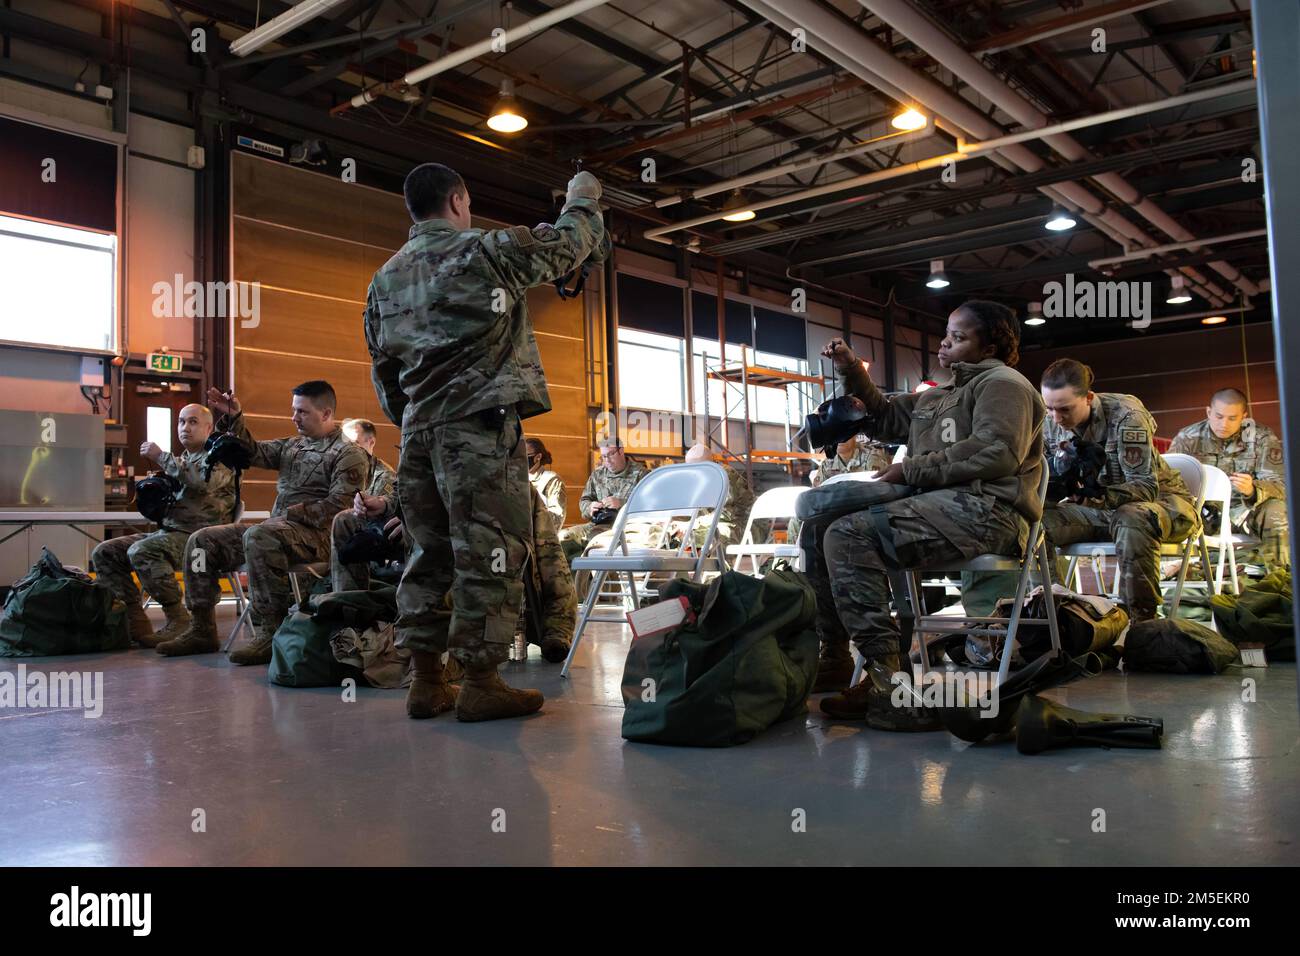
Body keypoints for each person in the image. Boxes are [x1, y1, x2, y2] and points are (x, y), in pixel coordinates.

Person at [364, 161, 605, 721]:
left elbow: (383, 369)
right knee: (491, 549)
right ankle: (481, 680)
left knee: (427, 553)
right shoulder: (484, 251)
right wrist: (583, 195)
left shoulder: (385, 279)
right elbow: (570, 246)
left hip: (419, 436)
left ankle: (424, 680)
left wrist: (415, 421)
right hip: (478, 428)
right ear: (458, 199)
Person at [810, 301, 1045, 728]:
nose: (946, 342)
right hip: (938, 507)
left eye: (959, 337)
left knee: (848, 535)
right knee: (818, 527)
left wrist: (911, 469)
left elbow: (997, 452)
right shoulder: (937, 395)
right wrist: (850, 369)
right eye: (946, 334)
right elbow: (879, 418)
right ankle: (835, 656)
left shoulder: (1004, 385)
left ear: (990, 345)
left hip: (988, 510)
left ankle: (889, 685)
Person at [158, 381, 368, 661]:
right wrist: (235, 416)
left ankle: (270, 632)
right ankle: (201, 628)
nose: (294, 418)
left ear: (326, 413)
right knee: (202, 540)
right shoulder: (292, 445)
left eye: (302, 412)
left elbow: (341, 507)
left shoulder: (348, 453)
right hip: (279, 531)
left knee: (259, 536)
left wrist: (293, 513)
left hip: (318, 537)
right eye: (294, 411)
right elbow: (252, 452)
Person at [1036, 359, 1199, 621]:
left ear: (1088, 397)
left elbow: (1145, 486)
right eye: (1050, 408)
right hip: (1099, 511)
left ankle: (1141, 624)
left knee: (1130, 516)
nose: (1056, 418)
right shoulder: (1050, 422)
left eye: (1064, 409)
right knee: (1034, 525)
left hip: (1162, 506)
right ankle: (1057, 618)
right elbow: (1046, 480)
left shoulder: (1126, 415)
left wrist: (1097, 494)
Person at [91, 404, 236, 646]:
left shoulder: (219, 459)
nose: (185, 428)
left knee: (143, 551)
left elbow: (201, 481)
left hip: (201, 542)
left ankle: (178, 619)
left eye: (193, 422)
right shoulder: (183, 460)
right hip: (170, 534)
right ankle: (132, 620)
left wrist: (160, 456)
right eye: (181, 422)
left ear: (209, 427)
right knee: (106, 552)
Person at [1169, 388, 1288, 571]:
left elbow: (1281, 487)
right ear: (1209, 412)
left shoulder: (1261, 437)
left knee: (1277, 511)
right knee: (1166, 511)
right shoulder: (1188, 438)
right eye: (1218, 416)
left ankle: (1280, 578)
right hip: (1205, 514)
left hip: (1247, 512)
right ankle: (1180, 575)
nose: (1224, 423)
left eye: (1232, 418)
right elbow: (1168, 482)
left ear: (1244, 416)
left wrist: (1253, 490)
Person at [558, 437, 649, 562]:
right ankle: (575, 579)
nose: (607, 461)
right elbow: (584, 500)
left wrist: (622, 503)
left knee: (596, 544)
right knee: (562, 538)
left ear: (621, 451)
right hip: (597, 524)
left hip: (625, 528)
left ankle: (593, 576)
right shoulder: (598, 475)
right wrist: (589, 507)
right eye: (603, 456)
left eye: (611, 455)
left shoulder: (641, 474)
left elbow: (649, 506)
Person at [682, 443, 755, 547]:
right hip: (715, 523)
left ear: (710, 464)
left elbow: (726, 514)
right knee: (673, 535)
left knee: (715, 539)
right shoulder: (697, 480)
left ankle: (717, 563)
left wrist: (694, 523)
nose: (693, 472)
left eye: (698, 468)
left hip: (745, 525)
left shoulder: (725, 476)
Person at [342, 418, 397, 498]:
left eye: (354, 443)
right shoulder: (339, 468)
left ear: (371, 442)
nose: (347, 449)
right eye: (345, 444)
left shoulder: (385, 476)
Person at [811, 435, 893, 487]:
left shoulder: (871, 457)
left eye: (844, 433)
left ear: (854, 436)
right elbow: (816, 494)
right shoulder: (827, 464)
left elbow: (881, 490)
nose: (840, 439)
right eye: (835, 434)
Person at [526, 437, 566, 532]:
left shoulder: (551, 480)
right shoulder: (518, 478)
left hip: (540, 536)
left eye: (525, 456)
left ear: (538, 457)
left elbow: (557, 517)